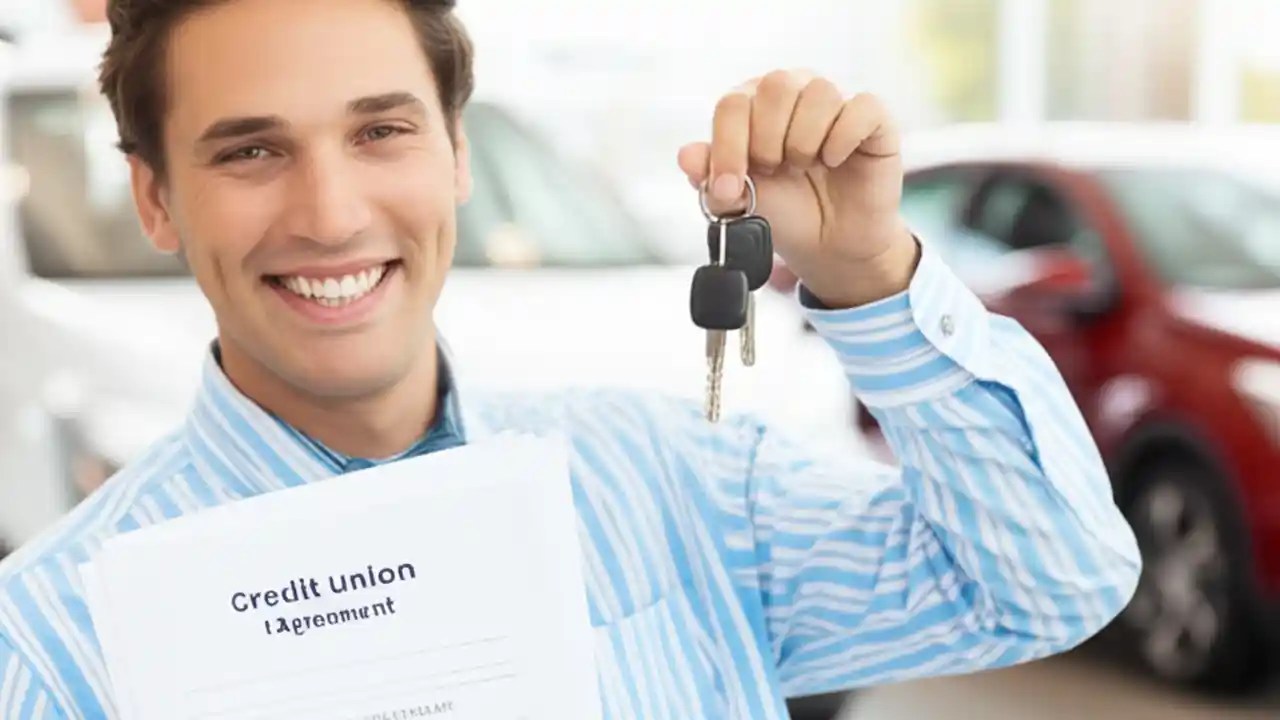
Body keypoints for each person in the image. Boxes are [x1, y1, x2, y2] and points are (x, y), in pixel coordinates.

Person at [0, 0, 1141, 717]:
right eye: (251, 151)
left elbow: (1046, 585)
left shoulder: (677, 481)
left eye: (380, 131)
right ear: (157, 198)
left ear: (456, 154)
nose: (331, 213)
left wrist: (868, 273)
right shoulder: (49, 641)